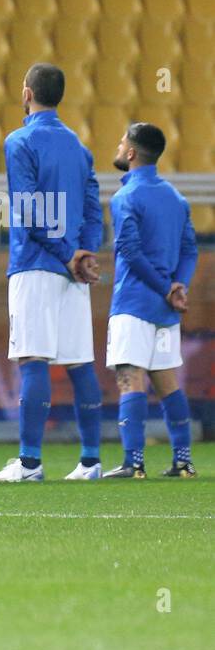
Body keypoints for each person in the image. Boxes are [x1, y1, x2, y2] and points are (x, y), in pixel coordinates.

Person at [0, 63, 105, 483]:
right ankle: (90, 462)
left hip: (36, 264)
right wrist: (84, 254)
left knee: (33, 358)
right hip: (73, 273)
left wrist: (68, 254)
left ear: (26, 93)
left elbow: (29, 208)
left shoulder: (19, 141)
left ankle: (30, 463)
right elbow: (93, 207)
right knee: (79, 362)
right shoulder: (78, 146)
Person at [103, 123, 198, 479]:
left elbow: (130, 251)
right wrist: (178, 287)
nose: (118, 146)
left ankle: (134, 462)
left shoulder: (125, 197)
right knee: (167, 382)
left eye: (121, 142)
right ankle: (183, 461)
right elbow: (189, 249)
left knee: (130, 378)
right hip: (166, 310)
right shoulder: (176, 198)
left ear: (131, 153)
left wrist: (163, 287)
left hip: (134, 303)